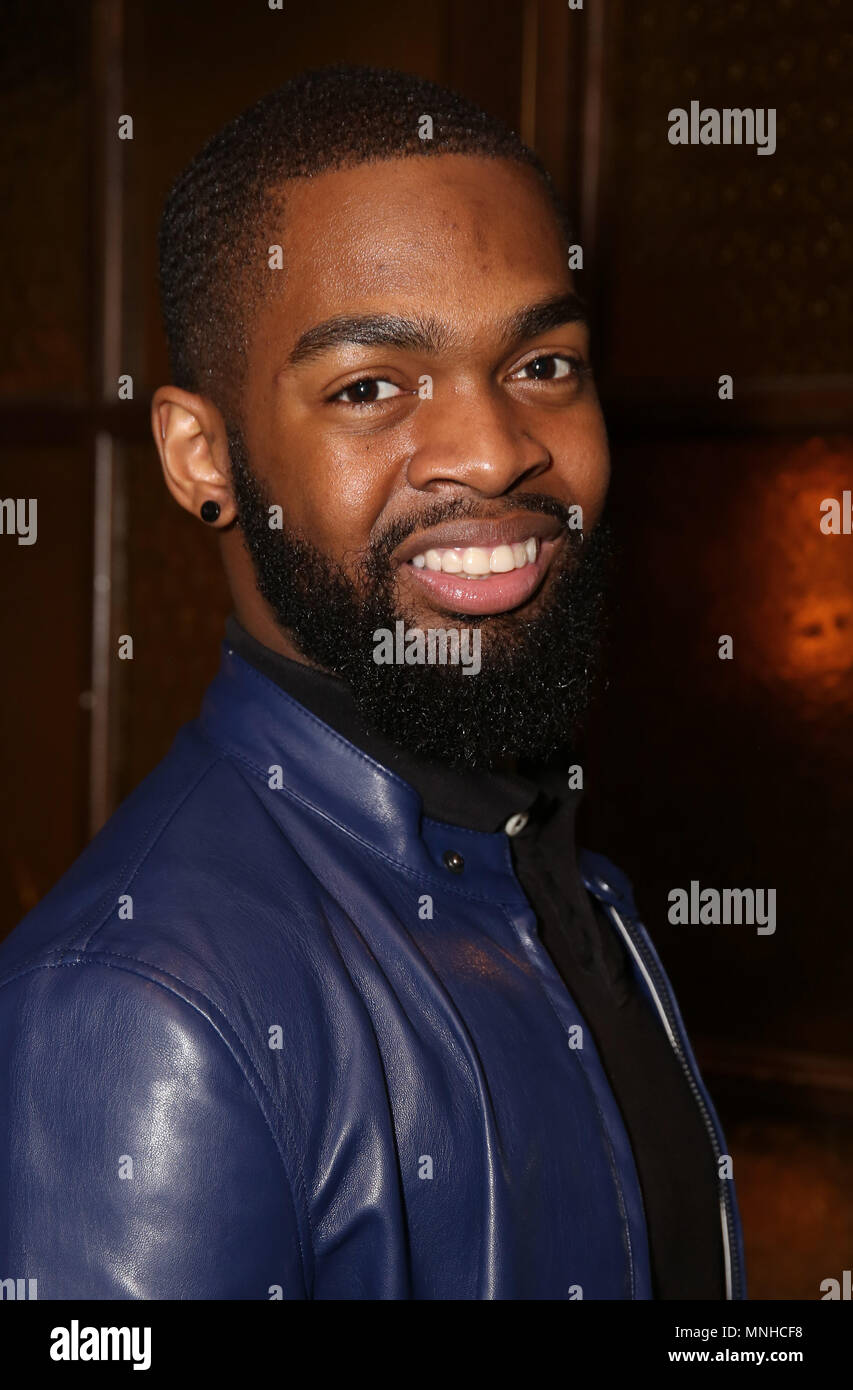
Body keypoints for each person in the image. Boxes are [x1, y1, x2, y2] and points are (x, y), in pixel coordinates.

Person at [0, 65, 745, 1300]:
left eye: (544, 364)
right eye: (368, 388)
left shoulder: (557, 880)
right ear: (201, 455)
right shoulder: (138, 1015)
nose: (496, 449)